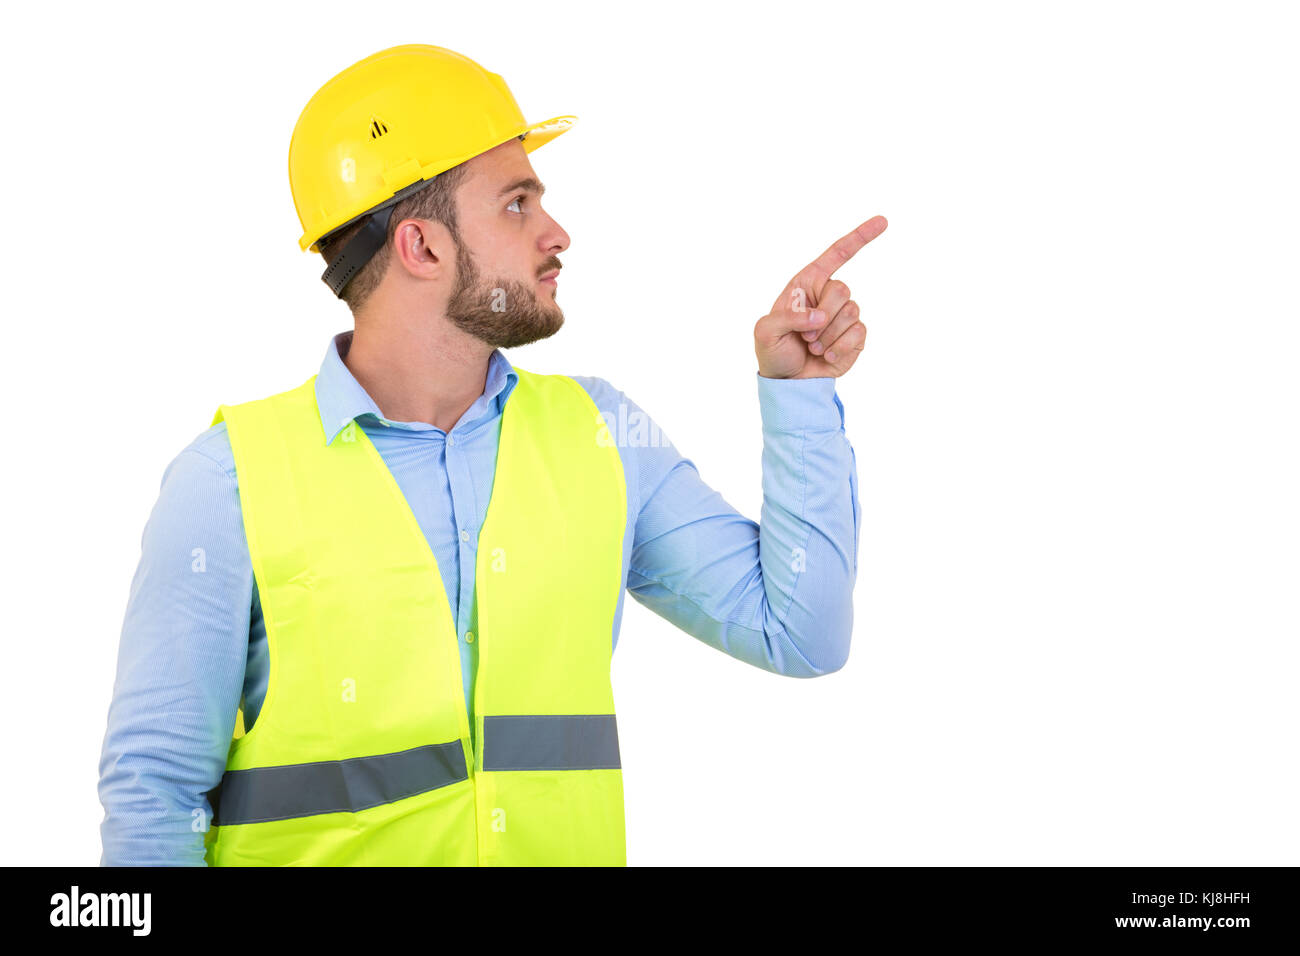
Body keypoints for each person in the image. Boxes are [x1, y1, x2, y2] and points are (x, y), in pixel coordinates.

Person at [97, 43, 885, 866]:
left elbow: (801, 633)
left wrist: (799, 396)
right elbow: (154, 792)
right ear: (422, 248)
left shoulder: (601, 436)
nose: (557, 232)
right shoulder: (226, 483)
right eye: (517, 203)